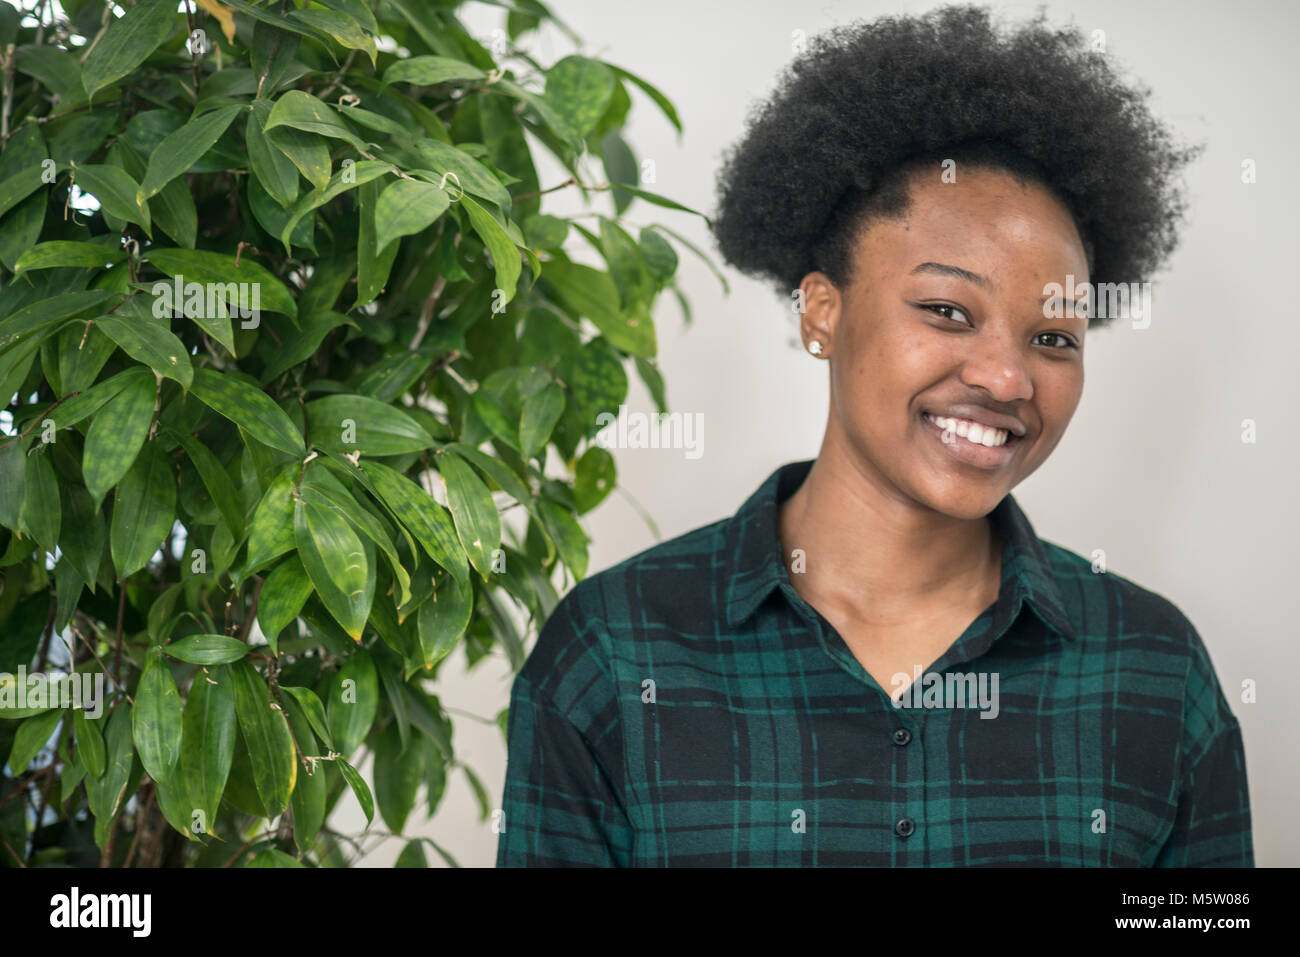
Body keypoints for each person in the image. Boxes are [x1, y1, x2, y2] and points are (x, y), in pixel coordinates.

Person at [495, 4, 1252, 866]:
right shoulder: (615, 651)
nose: (1007, 379)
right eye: (946, 310)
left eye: (1054, 338)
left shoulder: (1153, 672)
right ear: (823, 310)